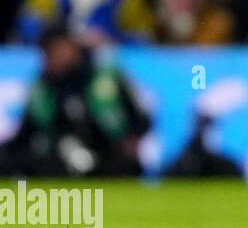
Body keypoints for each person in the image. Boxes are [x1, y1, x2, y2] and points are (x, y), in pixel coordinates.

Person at [1, 25, 149, 177]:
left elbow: (141, 118)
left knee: (125, 163)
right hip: (61, 156)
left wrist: (130, 139)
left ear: (71, 46)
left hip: (107, 153)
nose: (51, 58)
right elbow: (26, 133)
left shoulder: (104, 78)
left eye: (55, 50)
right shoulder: (44, 86)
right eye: (47, 53)